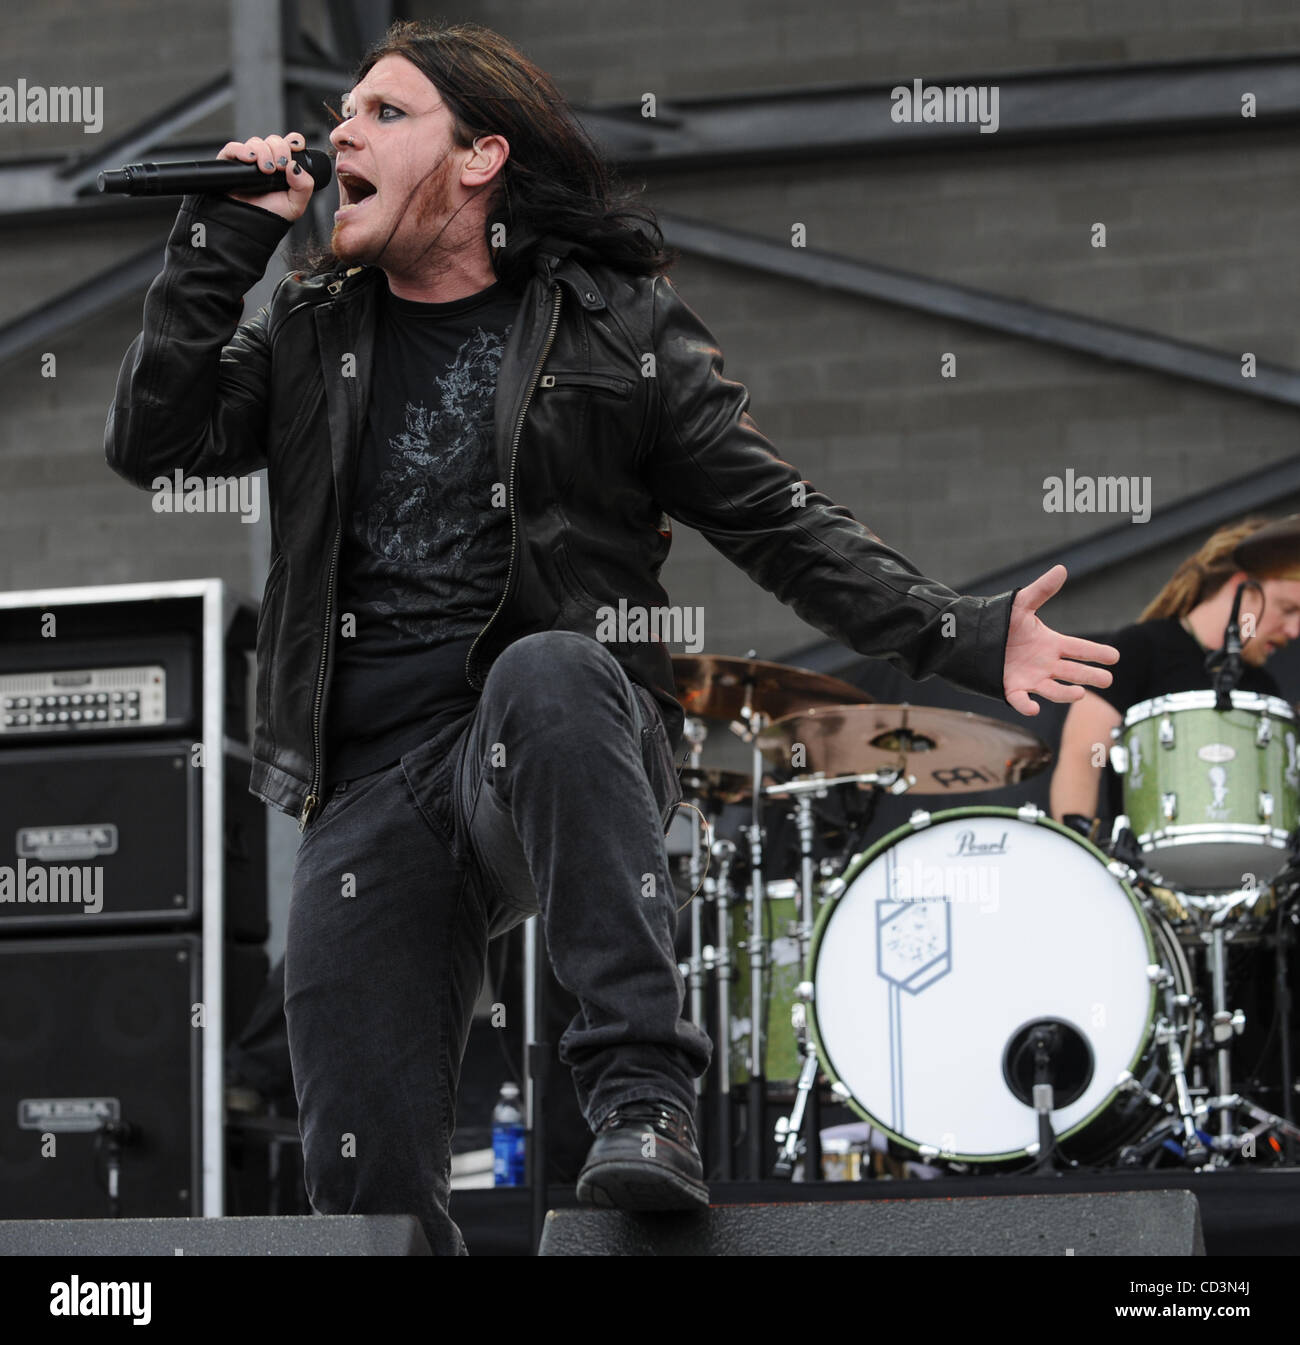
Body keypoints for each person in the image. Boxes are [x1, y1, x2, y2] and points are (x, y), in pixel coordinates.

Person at [105, 19, 1116, 1254]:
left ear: (477, 158)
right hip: (366, 789)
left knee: (547, 670)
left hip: (544, 732)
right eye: (342, 113)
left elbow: (778, 521)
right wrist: (224, 234)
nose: (337, 136)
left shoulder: (618, 333)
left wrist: (958, 631)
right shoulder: (316, 328)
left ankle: (645, 1098)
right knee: (359, 1197)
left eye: (379, 113)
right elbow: (156, 438)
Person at [1050, 516, 1300, 832]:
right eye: (1288, 609)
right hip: (1145, 870)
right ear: (1242, 589)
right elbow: (1083, 756)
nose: (1294, 630)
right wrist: (1080, 854)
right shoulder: (1137, 649)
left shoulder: (1263, 688)